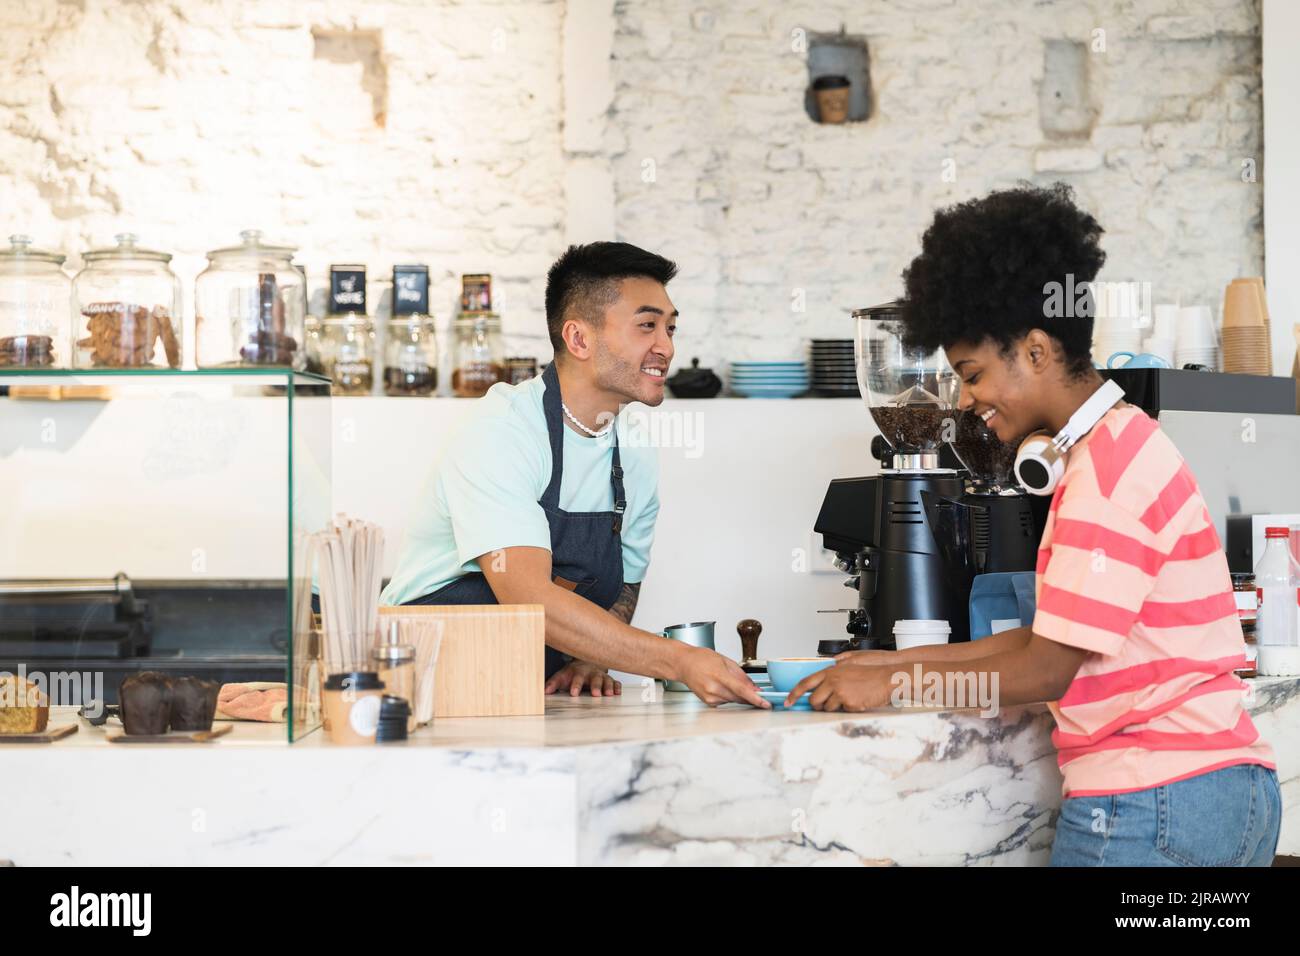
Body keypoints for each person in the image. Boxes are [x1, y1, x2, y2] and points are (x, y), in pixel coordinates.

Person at [787, 184, 1279, 866]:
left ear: (1039, 350)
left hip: (1149, 803)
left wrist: (895, 684)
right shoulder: (1121, 442)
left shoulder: (1103, 474)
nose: (966, 399)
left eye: (974, 374)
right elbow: (1049, 640)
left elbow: (1046, 671)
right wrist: (894, 661)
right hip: (1214, 792)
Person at [381, 241, 766, 707]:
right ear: (579, 339)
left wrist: (594, 659)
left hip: (532, 689)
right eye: (647, 326)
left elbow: (625, 581)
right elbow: (527, 599)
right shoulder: (502, 431)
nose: (666, 347)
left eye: (670, 327)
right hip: (425, 683)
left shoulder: (635, 448)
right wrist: (678, 660)